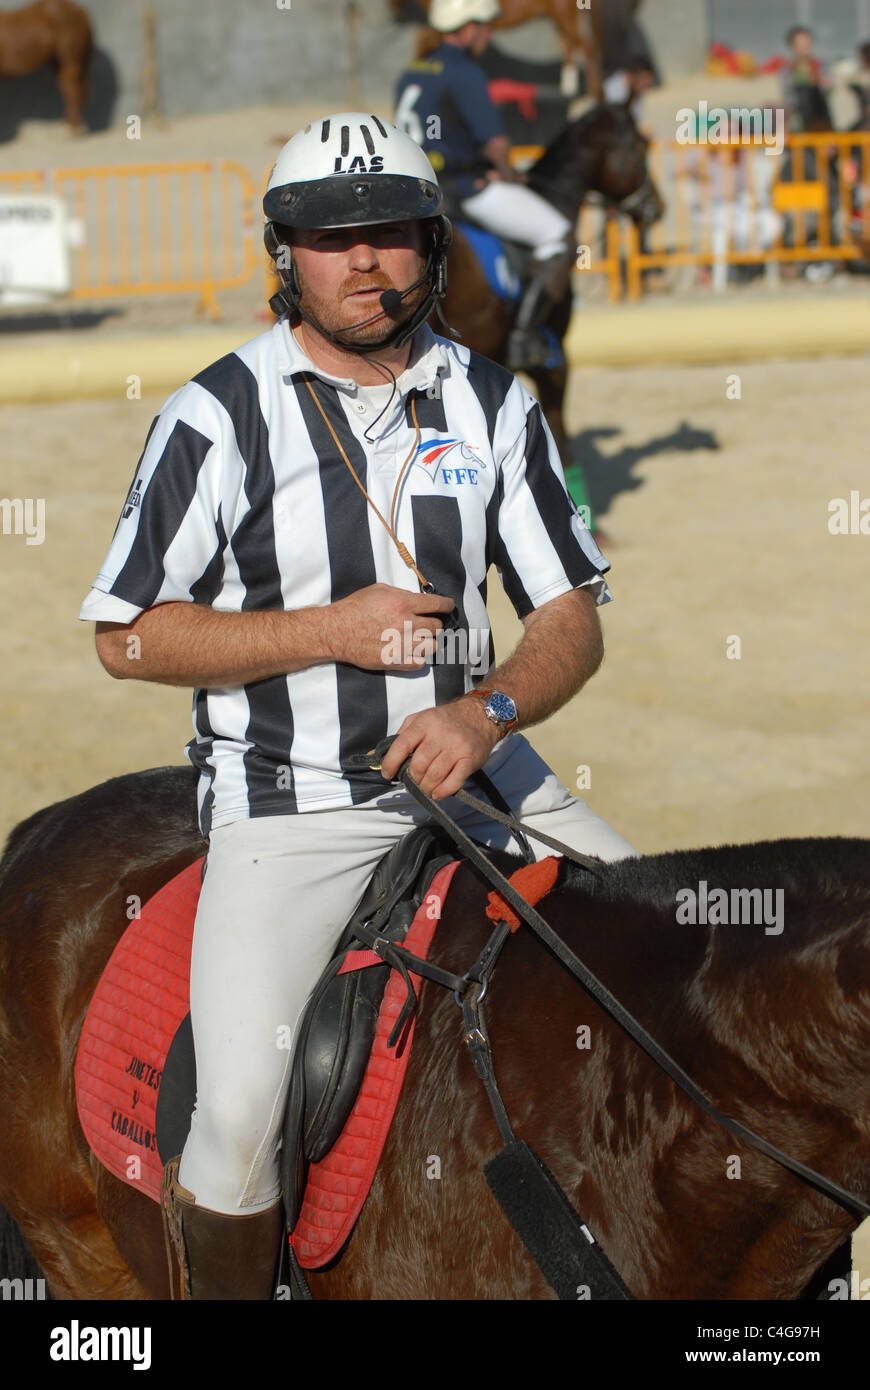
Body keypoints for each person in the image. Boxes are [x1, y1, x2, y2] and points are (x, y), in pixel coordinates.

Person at [78, 112, 639, 1300]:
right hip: (295, 807)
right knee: (231, 1121)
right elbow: (126, 632)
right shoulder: (214, 416)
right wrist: (333, 630)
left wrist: (487, 710)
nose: (364, 261)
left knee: (662, 983)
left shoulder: (497, 402)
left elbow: (570, 615)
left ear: (431, 245)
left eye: (389, 233)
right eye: (332, 238)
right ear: (285, 253)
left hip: (491, 780)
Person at [394, 0, 577, 371]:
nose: (489, 34)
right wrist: (508, 171)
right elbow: (495, 142)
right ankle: (526, 336)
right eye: (484, 26)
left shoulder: (411, 71)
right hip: (463, 189)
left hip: (417, 191)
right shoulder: (465, 71)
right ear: (465, 28)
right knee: (558, 235)